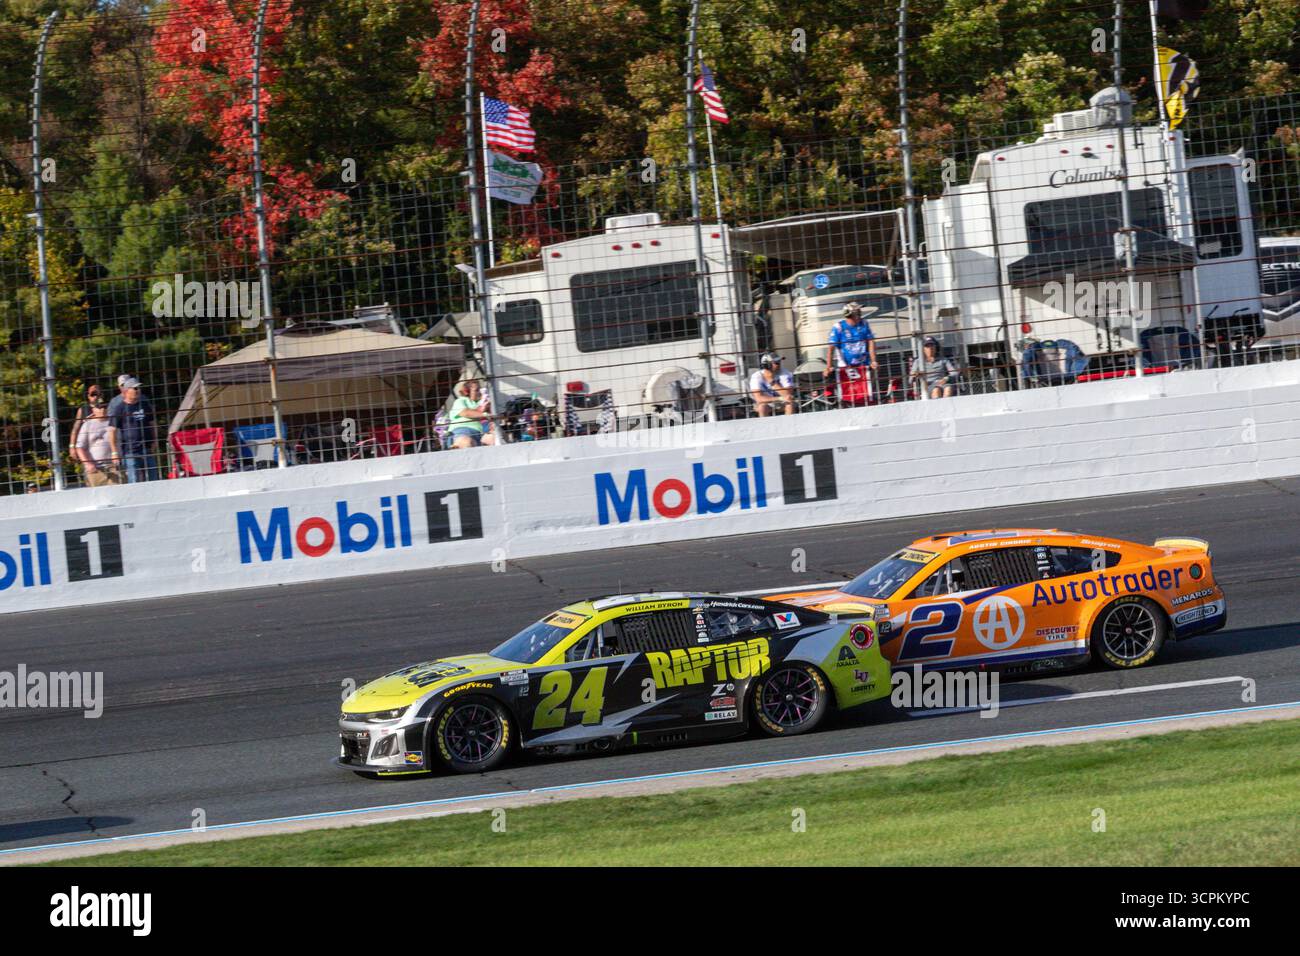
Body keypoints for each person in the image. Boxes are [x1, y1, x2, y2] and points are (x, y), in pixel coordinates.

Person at [107, 376, 159, 482]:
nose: (138, 390)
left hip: (147, 448)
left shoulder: (145, 405)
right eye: (135, 388)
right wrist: (114, 452)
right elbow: (112, 431)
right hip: (130, 451)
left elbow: (152, 423)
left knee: (154, 478)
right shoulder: (119, 408)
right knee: (134, 480)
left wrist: (155, 440)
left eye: (139, 388)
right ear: (126, 391)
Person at [74, 399, 122, 487]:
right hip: (96, 469)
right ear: (93, 410)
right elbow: (79, 447)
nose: (102, 410)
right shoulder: (87, 425)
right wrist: (88, 464)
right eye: (99, 407)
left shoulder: (115, 422)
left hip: (115, 466)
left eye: (104, 407)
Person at [824, 301, 879, 378]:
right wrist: (829, 367)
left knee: (867, 388)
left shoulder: (864, 323)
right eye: (857, 312)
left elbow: (871, 342)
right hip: (845, 367)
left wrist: (873, 361)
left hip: (864, 366)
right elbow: (831, 348)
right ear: (850, 314)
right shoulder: (838, 327)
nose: (860, 313)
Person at [447, 379, 497, 449]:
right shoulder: (460, 401)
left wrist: (489, 408)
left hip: (479, 433)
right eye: (476, 390)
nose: (479, 392)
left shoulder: (480, 403)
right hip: (462, 430)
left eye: (480, 389)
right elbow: (465, 413)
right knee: (466, 442)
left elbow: (490, 418)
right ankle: (458, 446)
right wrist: (484, 414)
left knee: (495, 439)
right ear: (467, 392)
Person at [749, 352, 795, 416]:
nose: (779, 365)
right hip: (767, 403)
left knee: (790, 403)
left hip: (782, 402)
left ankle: (790, 424)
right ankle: (765, 425)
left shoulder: (785, 373)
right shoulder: (757, 376)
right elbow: (759, 399)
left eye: (779, 362)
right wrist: (780, 398)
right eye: (776, 363)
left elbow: (788, 394)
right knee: (762, 407)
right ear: (767, 365)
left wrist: (772, 382)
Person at [68, 383, 104, 455]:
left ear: (101, 395)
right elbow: (75, 428)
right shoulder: (82, 410)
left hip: (101, 445)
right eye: (92, 394)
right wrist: (72, 446)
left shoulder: (105, 409)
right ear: (88, 396)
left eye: (97, 394)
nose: (95, 397)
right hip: (87, 445)